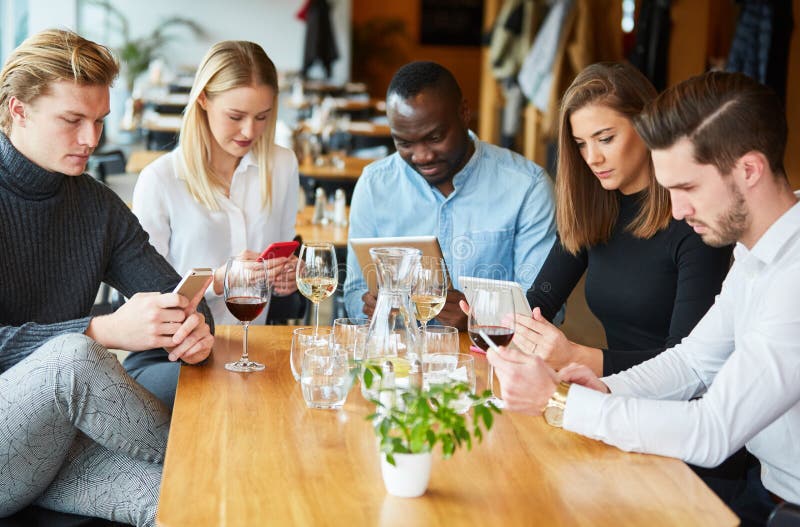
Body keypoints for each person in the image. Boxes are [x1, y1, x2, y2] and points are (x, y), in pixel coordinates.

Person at [488, 71, 799, 525]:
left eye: (687, 188)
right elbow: (692, 363)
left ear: (749, 170)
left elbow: (713, 430)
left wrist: (562, 403)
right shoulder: (757, 253)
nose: (676, 210)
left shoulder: (793, 277)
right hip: (765, 491)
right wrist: (603, 388)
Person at [0, 29, 213, 526]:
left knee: (193, 501)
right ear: (19, 110)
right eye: (72, 120)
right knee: (74, 359)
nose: (91, 140)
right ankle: (216, 452)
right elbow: (77, 354)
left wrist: (190, 328)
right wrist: (101, 330)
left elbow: (177, 297)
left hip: (55, 447)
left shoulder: (95, 205)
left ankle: (219, 466)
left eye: (99, 121)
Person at [520, 62, 732, 376]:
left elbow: (686, 365)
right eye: (581, 144)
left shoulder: (694, 220)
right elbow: (541, 299)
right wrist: (493, 319)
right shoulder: (593, 210)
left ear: (646, 127)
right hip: (612, 390)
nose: (592, 158)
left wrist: (577, 357)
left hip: (679, 399)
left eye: (605, 138)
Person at [131, 41, 300, 388]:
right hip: (174, 356)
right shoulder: (160, 180)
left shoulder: (282, 165)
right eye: (235, 117)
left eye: (262, 117)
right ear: (203, 100)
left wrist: (287, 276)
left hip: (254, 349)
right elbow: (141, 300)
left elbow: (281, 255)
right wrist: (219, 280)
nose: (250, 131)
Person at [344, 61, 557, 329]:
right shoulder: (374, 185)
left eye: (435, 138)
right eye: (405, 143)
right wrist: (368, 306)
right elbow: (353, 290)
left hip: (492, 355)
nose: (422, 156)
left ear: (464, 113)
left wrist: (479, 319)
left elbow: (545, 305)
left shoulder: (527, 187)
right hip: (400, 353)